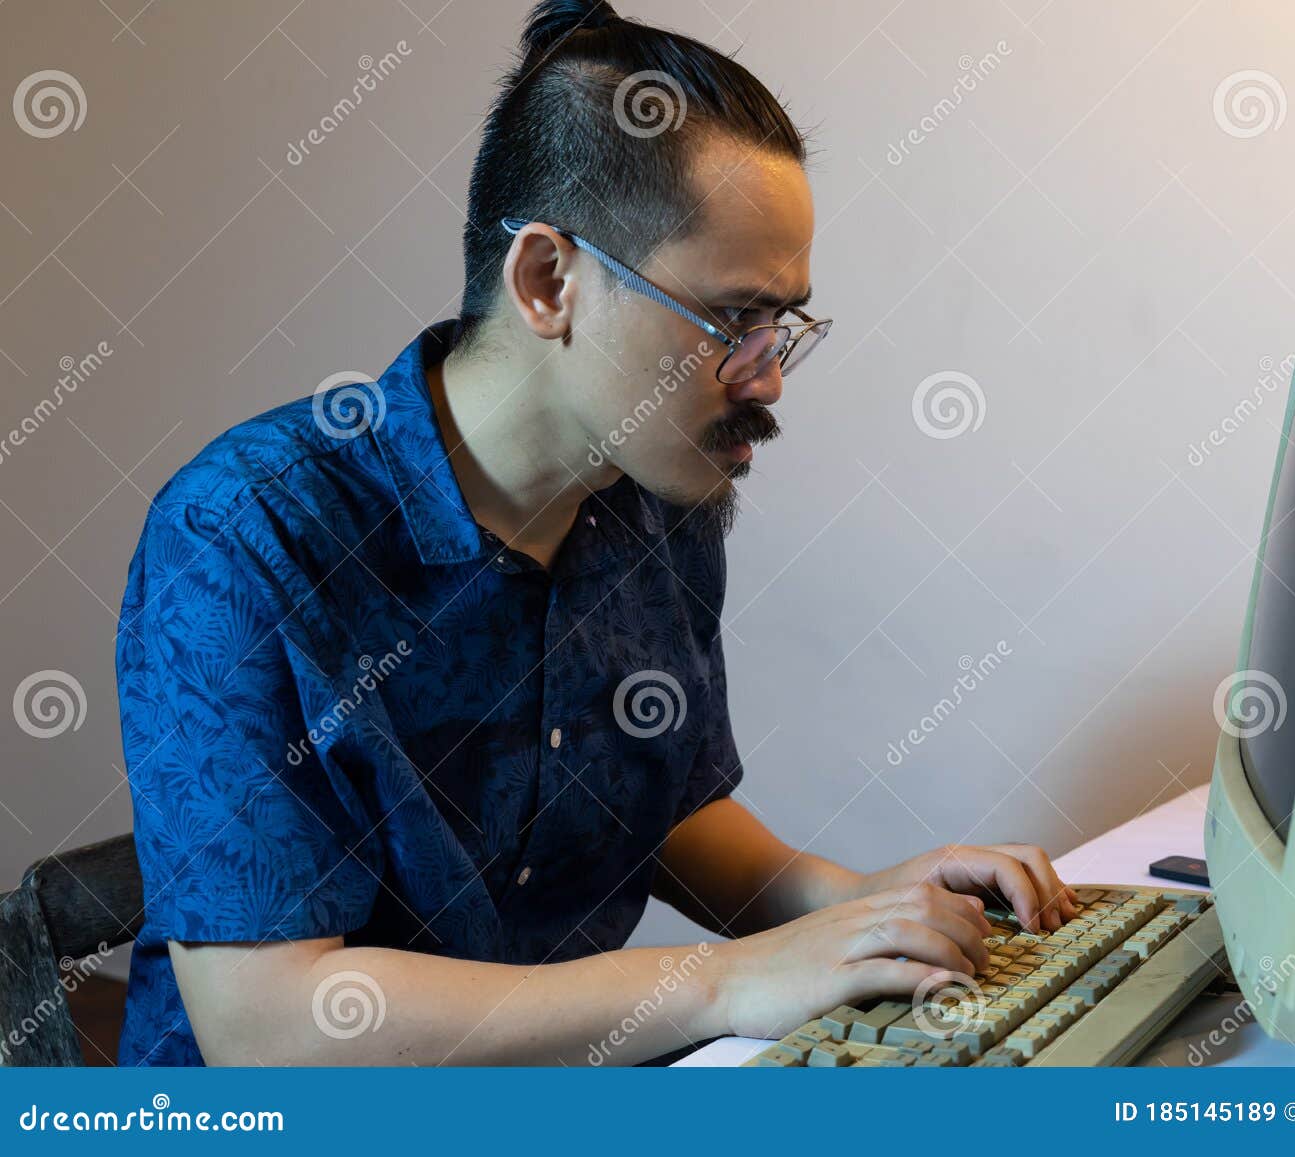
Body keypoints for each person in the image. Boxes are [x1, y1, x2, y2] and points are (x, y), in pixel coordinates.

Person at [114, 0, 1076, 1067]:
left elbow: (657, 807)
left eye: (784, 324)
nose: (765, 377)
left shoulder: (656, 496)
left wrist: (861, 904)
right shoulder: (243, 530)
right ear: (546, 281)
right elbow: (270, 1025)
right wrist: (726, 980)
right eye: (731, 320)